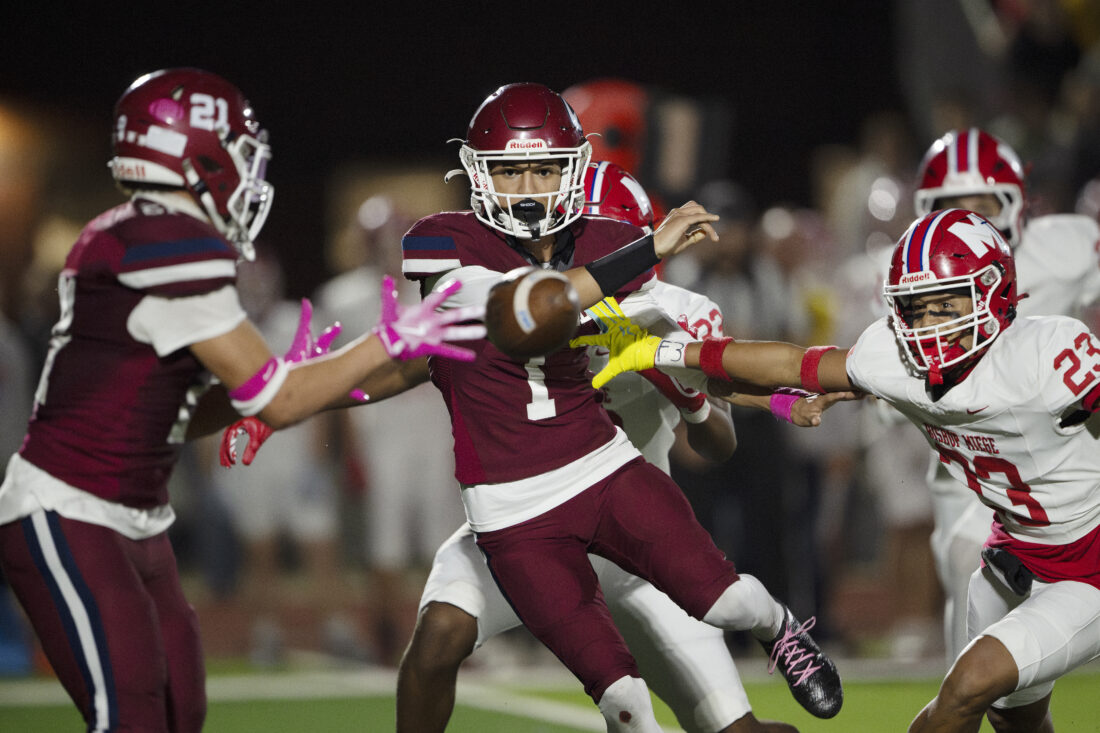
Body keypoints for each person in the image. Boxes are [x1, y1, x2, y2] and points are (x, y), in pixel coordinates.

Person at [0, 68, 483, 732]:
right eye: (237, 152)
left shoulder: (144, 236)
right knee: (134, 713)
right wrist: (389, 339)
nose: (248, 174)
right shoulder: (167, 242)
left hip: (133, 517)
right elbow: (281, 401)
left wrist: (382, 363)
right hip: (71, 509)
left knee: (180, 707)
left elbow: (187, 406)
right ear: (193, 153)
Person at [395, 83, 842, 731]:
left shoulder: (661, 313)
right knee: (441, 632)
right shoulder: (493, 282)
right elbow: (453, 341)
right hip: (527, 519)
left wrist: (710, 399)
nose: (529, 196)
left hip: (634, 539)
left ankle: (774, 630)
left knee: (732, 727)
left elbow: (718, 426)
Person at [580, 207, 1100, 733]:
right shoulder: (892, 360)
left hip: (1089, 561)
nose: (927, 326)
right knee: (1015, 721)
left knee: (967, 686)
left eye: (945, 305)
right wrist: (670, 349)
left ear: (993, 291)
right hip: (1011, 555)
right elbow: (792, 365)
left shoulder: (1047, 354)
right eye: (915, 310)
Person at [912, 127, 1100, 664]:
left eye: (983, 204)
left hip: (1065, 446)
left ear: (1017, 205)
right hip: (972, 457)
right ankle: (964, 695)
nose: (971, 221)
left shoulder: (1068, 246)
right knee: (965, 559)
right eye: (953, 207)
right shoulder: (914, 272)